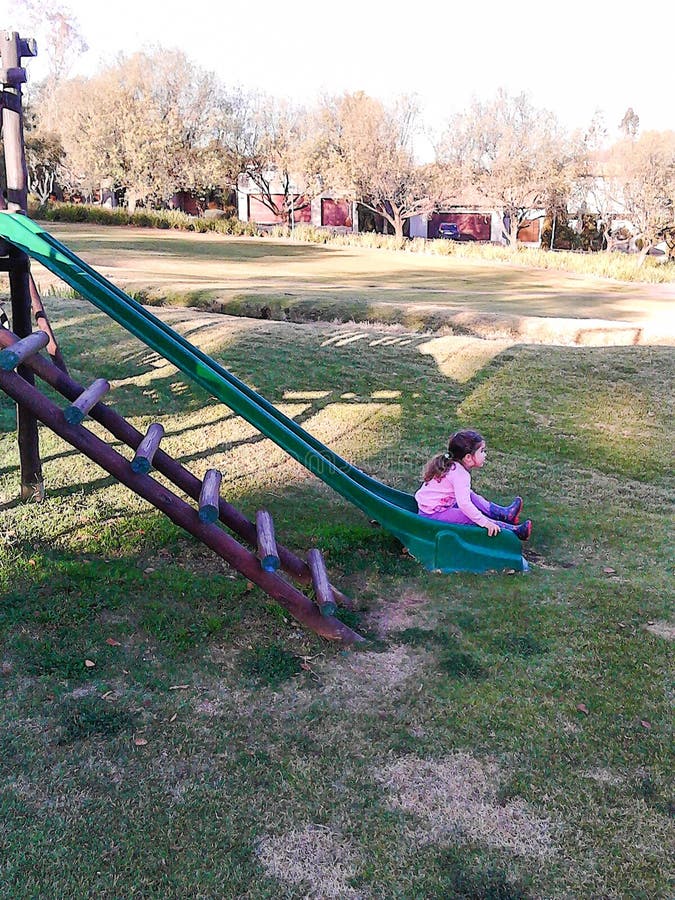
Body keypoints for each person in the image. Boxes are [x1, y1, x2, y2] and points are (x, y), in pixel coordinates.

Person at [415, 429, 532, 540]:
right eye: (482, 451)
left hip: (436, 506)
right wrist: (485, 523)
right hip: (432, 514)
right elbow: (464, 505)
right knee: (468, 515)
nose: (485, 455)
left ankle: (504, 514)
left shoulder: (453, 465)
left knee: (470, 495)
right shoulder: (460, 474)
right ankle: (513, 532)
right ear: (468, 458)